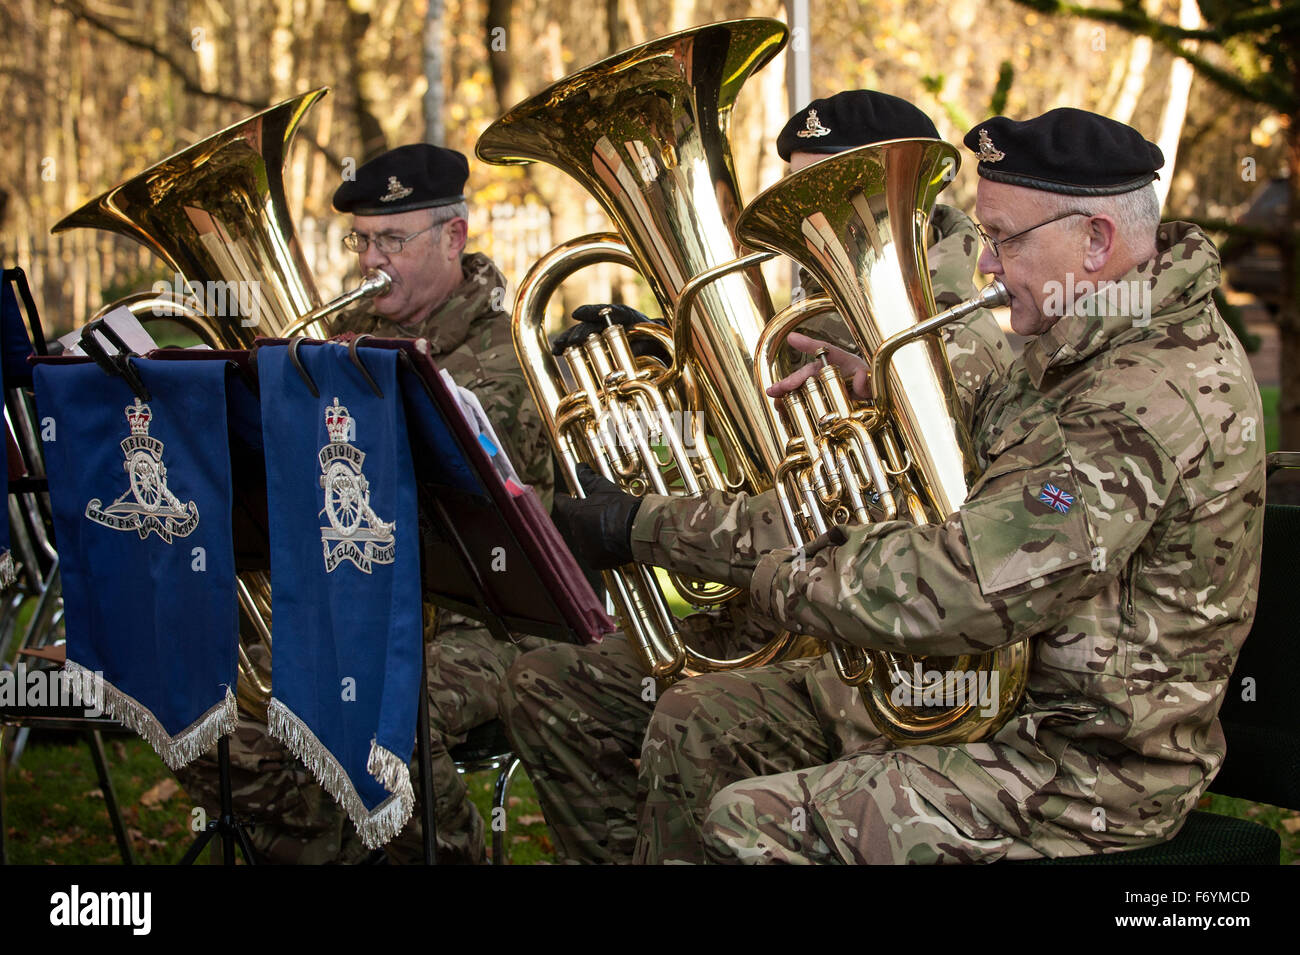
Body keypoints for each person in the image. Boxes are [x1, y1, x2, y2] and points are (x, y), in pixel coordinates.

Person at [560, 107, 1265, 864]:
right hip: (985, 706)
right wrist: (884, 389)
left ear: (1095, 240)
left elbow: (967, 584)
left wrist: (777, 579)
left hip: (1082, 770)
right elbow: (1012, 431)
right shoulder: (1088, 338)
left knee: (749, 820)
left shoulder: (1147, 393)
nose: (987, 264)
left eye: (1004, 238)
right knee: (702, 720)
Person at [499, 91, 1011, 863]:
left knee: (694, 716)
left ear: (892, 196)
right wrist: (646, 380)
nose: (790, 222)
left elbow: (815, 517)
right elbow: (744, 471)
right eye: (786, 196)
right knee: (547, 684)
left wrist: (635, 524)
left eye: (818, 196)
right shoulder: (806, 315)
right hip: (776, 616)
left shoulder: (944, 342)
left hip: (874, 651)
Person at [176, 144, 554, 864]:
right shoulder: (353, 351)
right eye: (362, 240)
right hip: (362, 610)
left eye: (391, 240)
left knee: (379, 708)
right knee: (198, 692)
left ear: (453, 237)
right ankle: (327, 843)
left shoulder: (508, 353)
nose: (368, 261)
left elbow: (452, 499)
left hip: (489, 625)